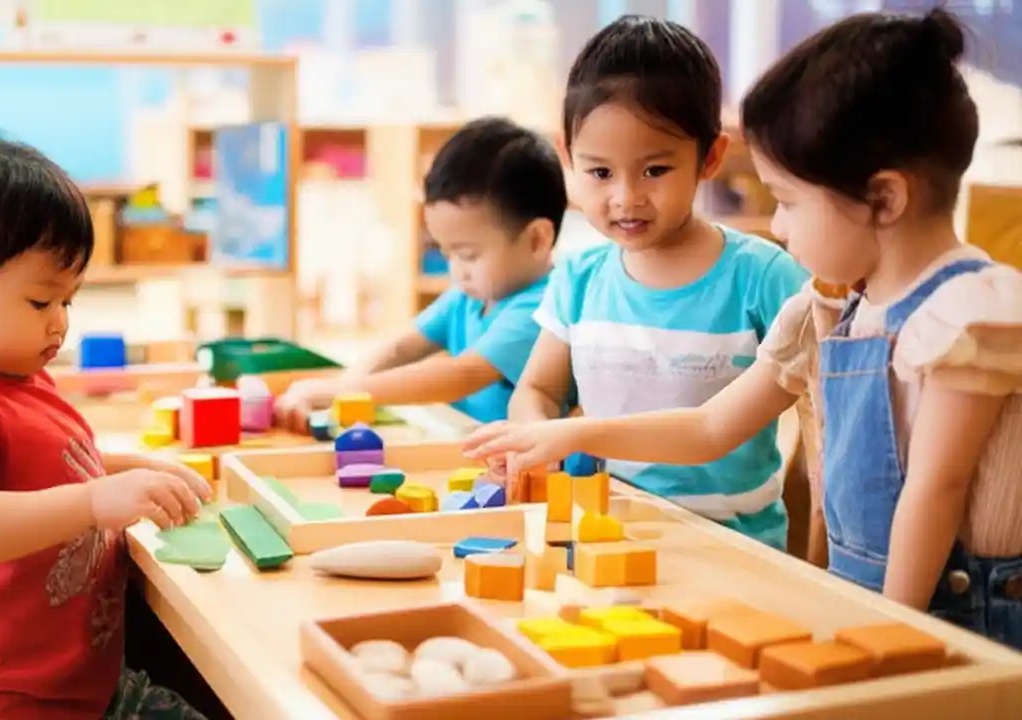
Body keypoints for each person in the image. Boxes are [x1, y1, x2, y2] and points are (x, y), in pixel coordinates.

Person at [465, 8, 1022, 649]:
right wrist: (567, 430)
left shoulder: (967, 312)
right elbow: (710, 426)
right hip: (867, 603)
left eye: (786, 202)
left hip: (948, 624)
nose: (779, 228)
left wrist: (887, 638)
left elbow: (936, 488)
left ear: (884, 199)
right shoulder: (828, 307)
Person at [0, 137, 213, 718]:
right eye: (42, 302)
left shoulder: (18, 375)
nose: (60, 323)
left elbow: (53, 467)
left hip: (86, 685)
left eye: (70, 301)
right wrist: (95, 499)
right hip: (13, 703)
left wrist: (137, 470)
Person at [502, 15, 807, 549]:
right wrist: (536, 437)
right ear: (568, 157)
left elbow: (817, 419)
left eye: (654, 171)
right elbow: (538, 390)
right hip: (606, 532)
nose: (625, 198)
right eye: (600, 173)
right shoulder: (578, 277)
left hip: (732, 546)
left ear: (709, 157)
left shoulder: (763, 278)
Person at [275, 116, 567, 426]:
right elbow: (401, 347)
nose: (457, 270)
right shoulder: (469, 297)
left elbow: (462, 375)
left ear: (537, 240)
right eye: (446, 252)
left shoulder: (544, 308)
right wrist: (344, 387)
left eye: (468, 254)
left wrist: (339, 391)